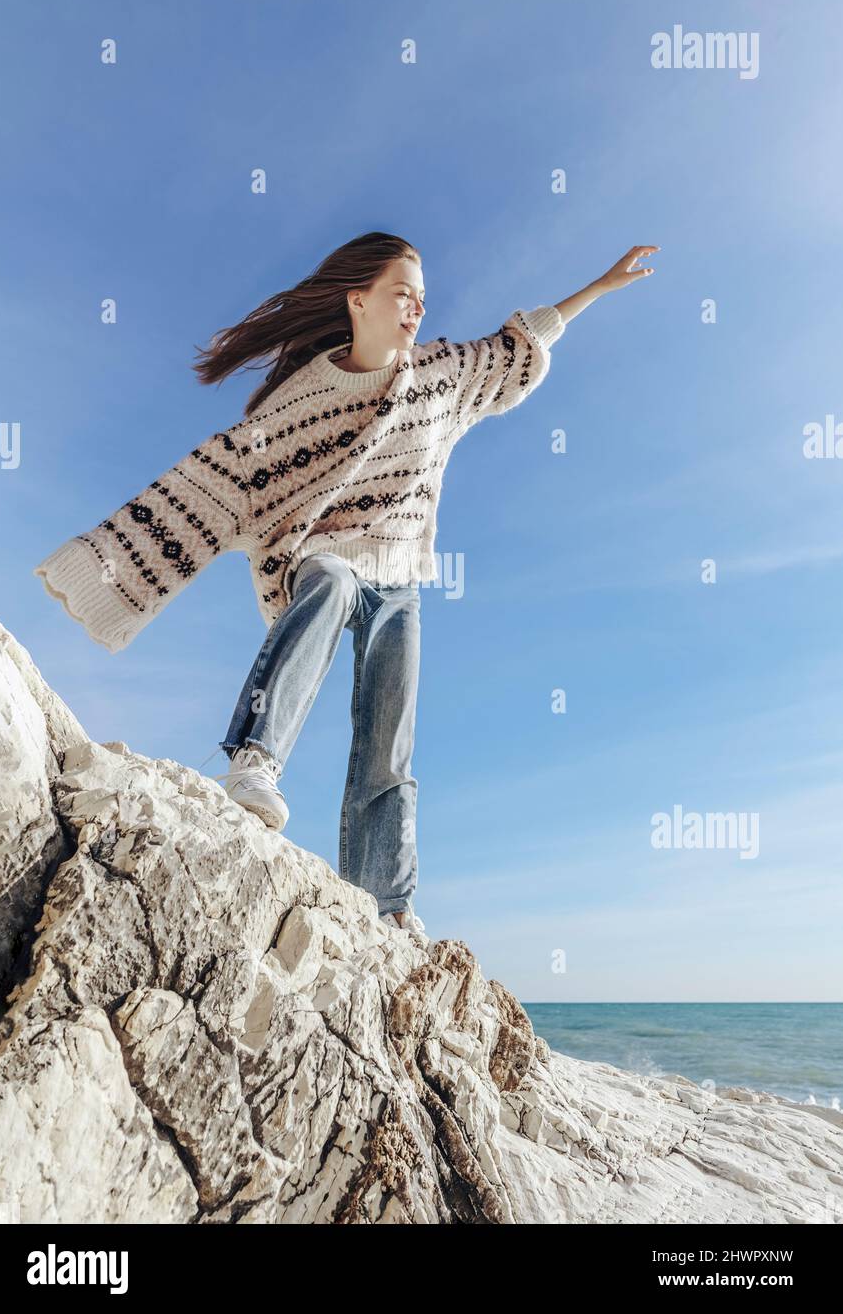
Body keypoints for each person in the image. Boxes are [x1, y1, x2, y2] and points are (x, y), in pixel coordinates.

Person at [35, 231, 659, 939]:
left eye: (422, 298)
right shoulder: (303, 400)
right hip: (320, 559)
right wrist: (104, 568)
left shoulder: (440, 377)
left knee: (389, 738)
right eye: (402, 293)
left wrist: (597, 290)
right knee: (330, 580)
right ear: (358, 299)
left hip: (399, 580)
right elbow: (215, 483)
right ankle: (254, 762)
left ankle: (386, 902)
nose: (416, 309)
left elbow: (512, 347)